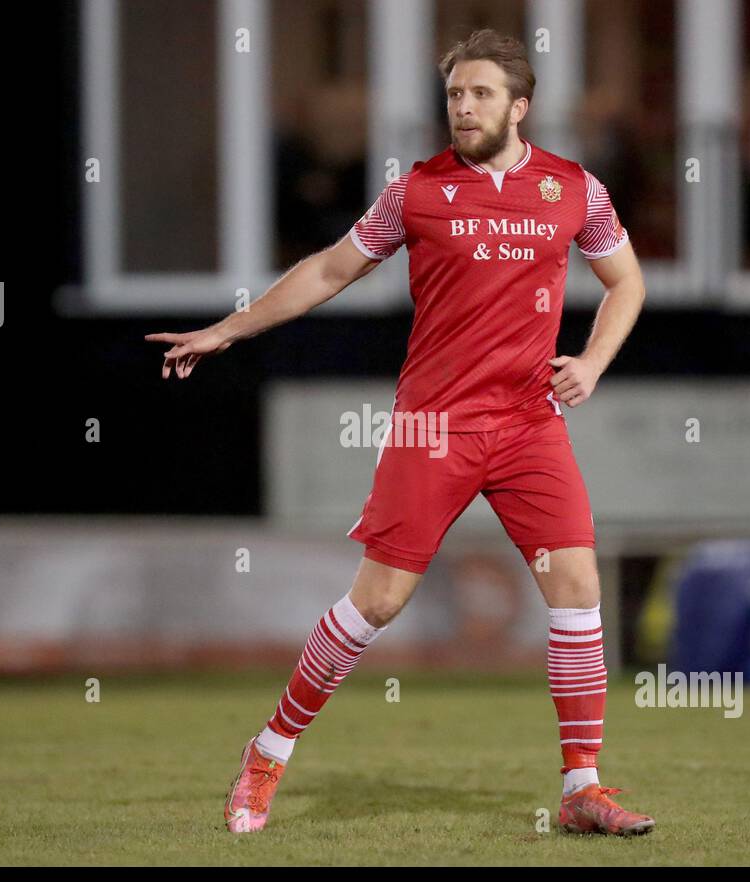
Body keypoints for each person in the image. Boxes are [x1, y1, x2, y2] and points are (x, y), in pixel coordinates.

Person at [146, 29, 652, 837]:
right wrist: (229, 329)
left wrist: (591, 362)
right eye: (455, 94)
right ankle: (267, 752)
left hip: (528, 425)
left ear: (519, 106)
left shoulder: (573, 190)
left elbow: (626, 281)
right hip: (433, 427)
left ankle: (582, 789)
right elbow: (327, 270)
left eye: (481, 93)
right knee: (378, 601)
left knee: (578, 592)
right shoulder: (415, 193)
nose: (463, 106)